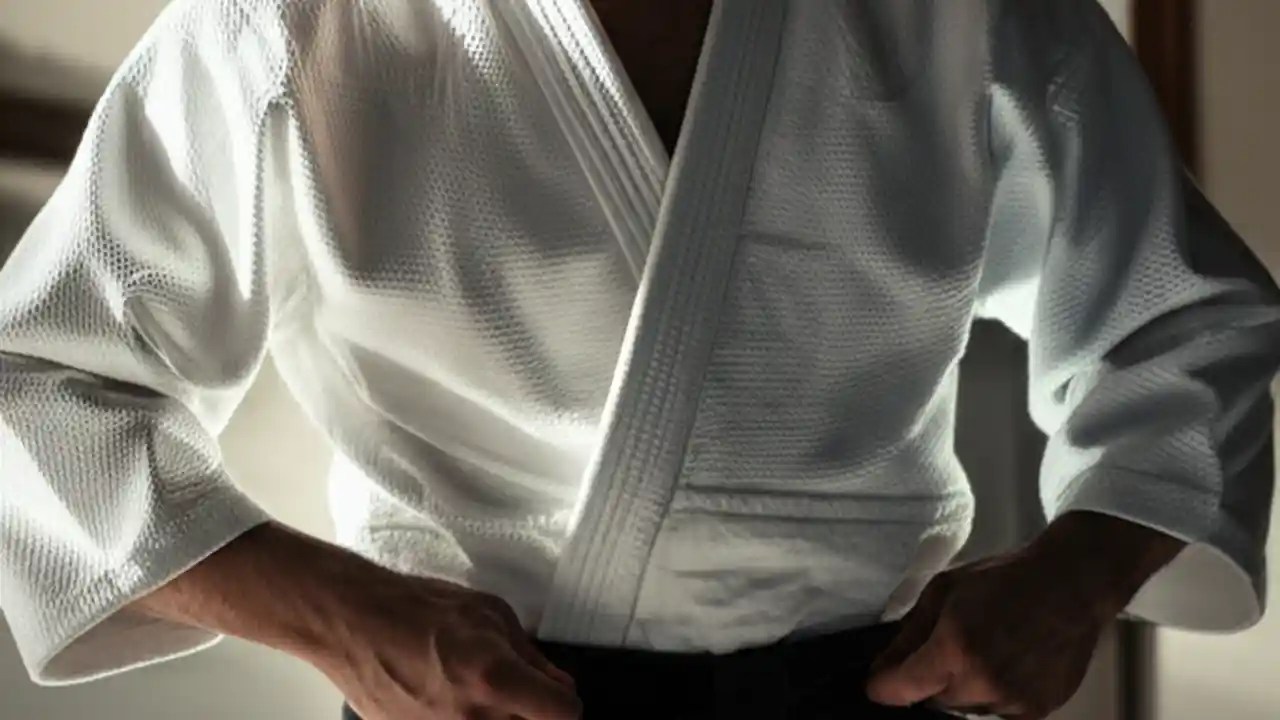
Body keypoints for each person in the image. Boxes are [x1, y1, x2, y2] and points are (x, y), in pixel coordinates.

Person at [2, 0, 1277, 718]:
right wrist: (344, 619)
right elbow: (42, 378)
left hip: (861, 693)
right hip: (465, 701)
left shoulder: (966, 17)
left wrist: (1079, 573)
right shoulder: (291, 23)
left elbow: (1183, 323)